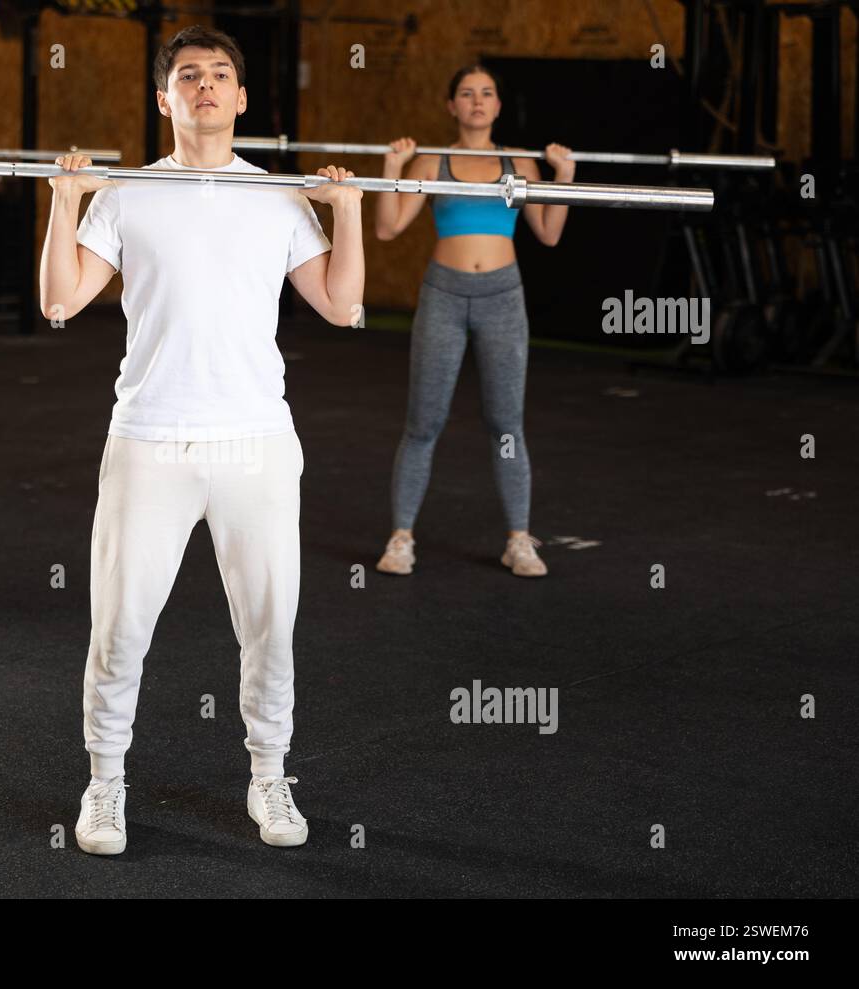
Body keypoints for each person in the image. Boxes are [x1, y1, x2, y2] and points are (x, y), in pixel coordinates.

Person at [40, 26, 364, 854]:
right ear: (165, 99)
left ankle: (269, 775)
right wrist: (65, 200)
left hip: (255, 439)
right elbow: (61, 302)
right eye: (190, 76)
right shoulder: (126, 193)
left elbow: (339, 305)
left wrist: (351, 213)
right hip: (149, 438)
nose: (207, 86)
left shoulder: (279, 198)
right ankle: (105, 782)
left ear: (243, 97)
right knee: (118, 626)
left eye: (221, 75)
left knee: (270, 624)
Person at [374, 64, 575, 578]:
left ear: (498, 106)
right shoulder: (431, 161)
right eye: (466, 93)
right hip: (444, 294)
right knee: (423, 422)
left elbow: (550, 234)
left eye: (487, 93)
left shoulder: (521, 163)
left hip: (503, 298)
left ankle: (518, 541)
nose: (477, 101)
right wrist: (392, 168)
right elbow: (388, 228)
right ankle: (401, 538)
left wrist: (565, 176)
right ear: (452, 106)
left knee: (507, 424)